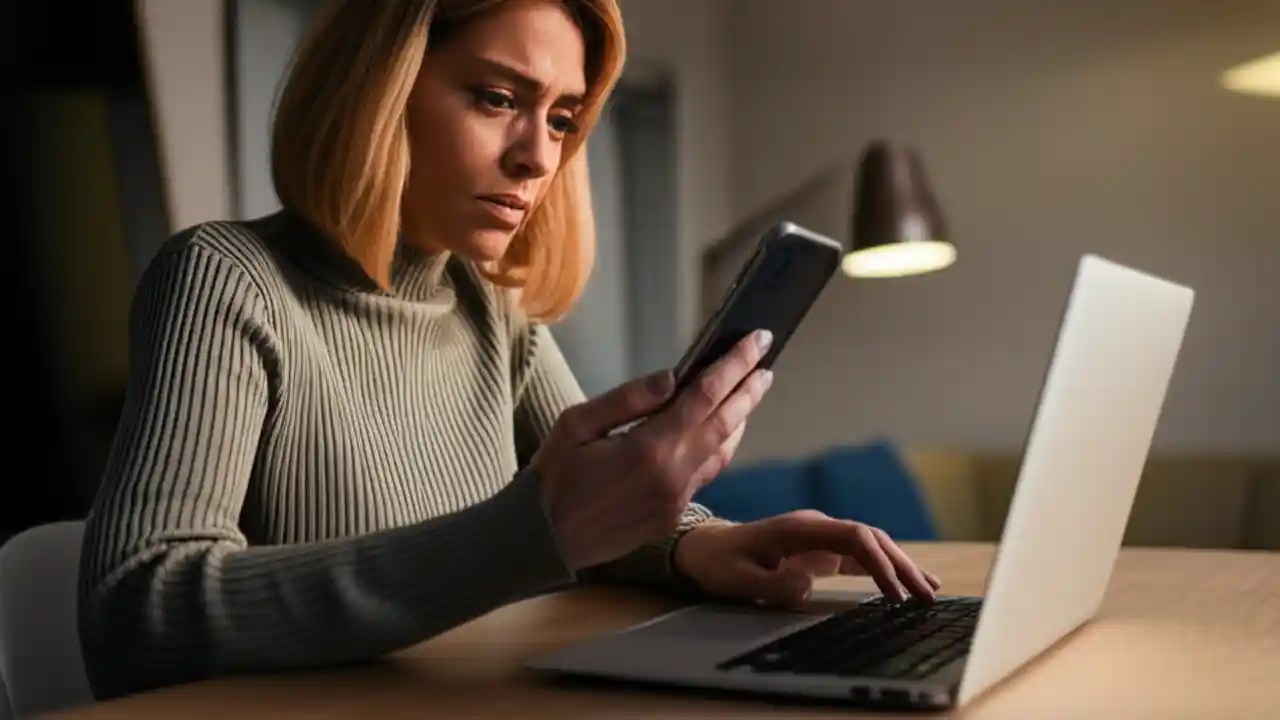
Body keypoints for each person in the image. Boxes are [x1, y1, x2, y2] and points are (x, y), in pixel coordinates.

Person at [77, 0, 940, 701]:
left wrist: (700, 545)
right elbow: (134, 615)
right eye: (496, 98)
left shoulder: (489, 306)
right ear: (378, 88)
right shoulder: (227, 279)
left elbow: (585, 514)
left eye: (562, 117)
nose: (538, 156)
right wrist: (532, 532)